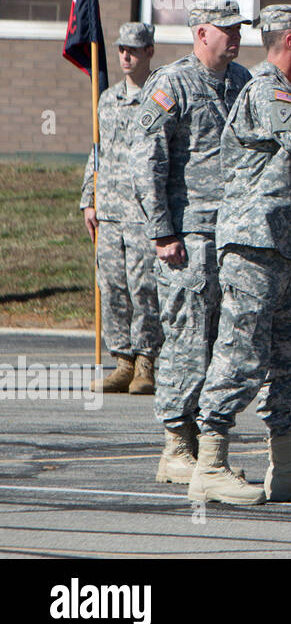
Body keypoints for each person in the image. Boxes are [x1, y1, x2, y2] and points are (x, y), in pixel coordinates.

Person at [187, 5, 291, 505]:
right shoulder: (268, 89)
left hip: (283, 250)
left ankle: (284, 467)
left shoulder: (287, 93)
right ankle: (210, 465)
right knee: (240, 355)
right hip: (254, 249)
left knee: (288, 363)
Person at [135, 0, 251, 485]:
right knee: (186, 339)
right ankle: (176, 446)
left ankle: (208, 447)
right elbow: (147, 163)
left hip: (234, 236)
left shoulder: (243, 82)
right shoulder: (171, 83)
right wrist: (163, 232)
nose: (235, 36)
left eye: (237, 28)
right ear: (201, 33)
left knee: (224, 342)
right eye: (226, 29)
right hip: (188, 239)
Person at [83, 22, 163, 395]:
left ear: (149, 51)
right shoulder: (107, 99)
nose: (126, 56)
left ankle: (146, 361)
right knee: (112, 285)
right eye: (120, 50)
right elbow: (96, 153)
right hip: (110, 211)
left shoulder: (159, 97)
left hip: (143, 212)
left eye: (133, 49)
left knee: (143, 287)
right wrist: (89, 199)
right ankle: (123, 361)